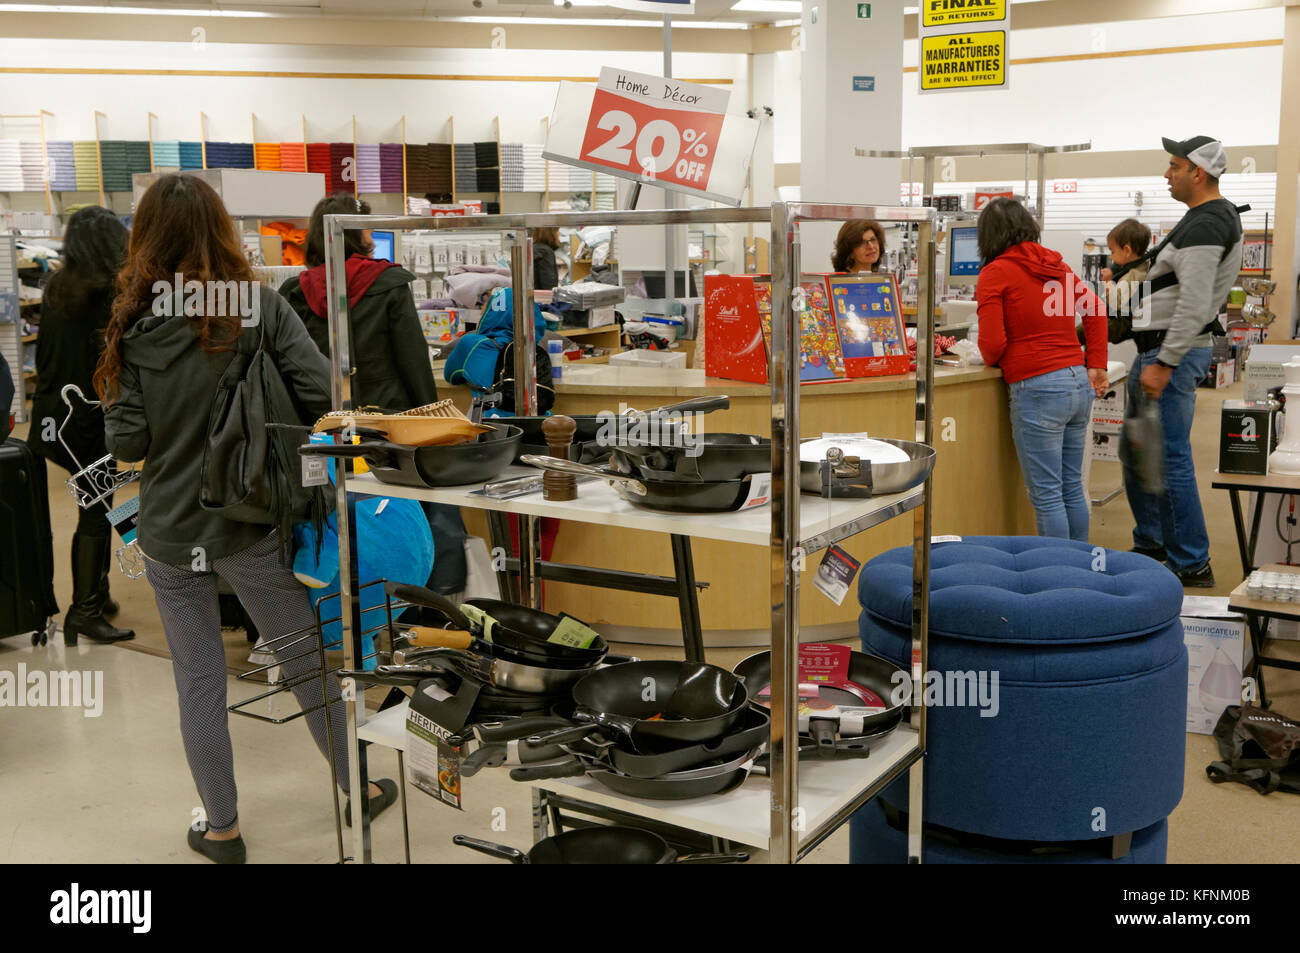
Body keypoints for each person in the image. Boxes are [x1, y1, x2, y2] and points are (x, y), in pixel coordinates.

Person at [96, 174, 396, 864]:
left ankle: (223, 829)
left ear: (146, 242)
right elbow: (322, 391)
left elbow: (128, 444)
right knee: (302, 660)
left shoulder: (138, 325)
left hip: (170, 530)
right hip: (250, 518)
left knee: (198, 677)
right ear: (222, 231)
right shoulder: (257, 306)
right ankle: (358, 785)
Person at [279, 193, 468, 596]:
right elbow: (412, 359)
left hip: (322, 428)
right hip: (387, 424)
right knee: (399, 515)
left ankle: (337, 604)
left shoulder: (294, 292)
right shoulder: (388, 283)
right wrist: (430, 423)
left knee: (333, 519)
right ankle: (414, 596)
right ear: (359, 233)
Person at [1120, 136, 1244, 588]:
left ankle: (1191, 561)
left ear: (1198, 172)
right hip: (1159, 352)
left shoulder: (1209, 222)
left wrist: (1165, 362)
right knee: (1139, 450)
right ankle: (1153, 542)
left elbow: (1194, 302)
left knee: (1168, 457)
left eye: (1174, 166)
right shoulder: (1200, 220)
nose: (1166, 174)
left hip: (1171, 355)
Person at [975, 197, 1108, 541]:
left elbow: (991, 345)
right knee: (1071, 488)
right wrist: (1096, 364)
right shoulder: (1058, 267)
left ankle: (1057, 578)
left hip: (1037, 387)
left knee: (1047, 496)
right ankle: (1078, 571)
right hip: (1077, 382)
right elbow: (1095, 309)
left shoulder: (995, 273)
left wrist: (1001, 359)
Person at [31, 206, 135, 644]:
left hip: (54, 416)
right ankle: (84, 611)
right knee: (98, 511)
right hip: (88, 418)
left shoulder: (58, 286)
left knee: (100, 504)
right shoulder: (107, 295)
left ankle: (99, 591)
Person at [532, 226, 561, 290]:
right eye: (557, 231)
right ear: (551, 233)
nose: (559, 234)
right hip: (542, 298)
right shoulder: (545, 251)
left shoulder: (533, 248)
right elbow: (549, 284)